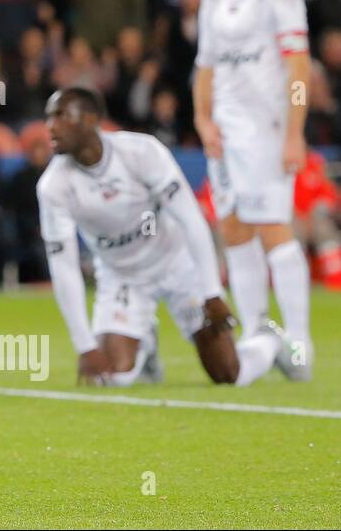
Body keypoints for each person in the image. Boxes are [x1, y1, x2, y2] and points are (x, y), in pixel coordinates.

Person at [38, 88, 300, 387]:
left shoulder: (141, 153)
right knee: (107, 378)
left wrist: (212, 292)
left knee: (229, 374)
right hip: (123, 276)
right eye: (49, 117)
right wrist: (85, 346)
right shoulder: (53, 187)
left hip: (178, 265)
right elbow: (64, 266)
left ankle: (268, 341)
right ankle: (144, 345)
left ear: (90, 119)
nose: (50, 126)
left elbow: (191, 219)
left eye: (60, 116)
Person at [192, 0, 314, 379]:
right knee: (234, 230)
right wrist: (203, 120)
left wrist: (294, 132)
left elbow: (298, 66)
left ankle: (300, 344)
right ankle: (257, 332)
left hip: (266, 131)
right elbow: (205, 66)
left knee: (273, 227)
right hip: (224, 134)